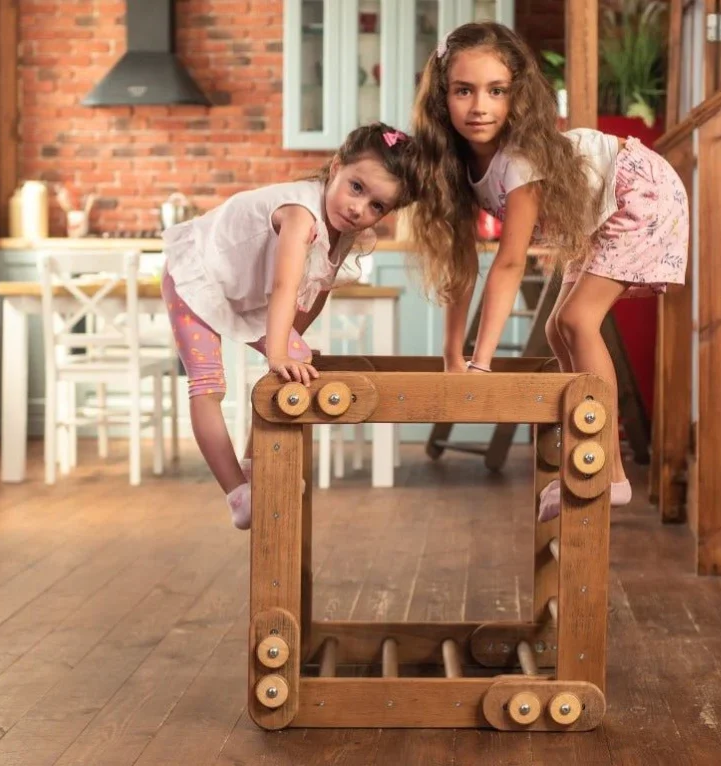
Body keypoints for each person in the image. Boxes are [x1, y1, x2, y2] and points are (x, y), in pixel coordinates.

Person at [408, 22, 687, 520]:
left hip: (638, 190)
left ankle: (611, 474)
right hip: (601, 207)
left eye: (497, 91)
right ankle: (590, 465)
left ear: (517, 96)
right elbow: (463, 264)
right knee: (560, 326)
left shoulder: (519, 159)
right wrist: (453, 356)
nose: (480, 107)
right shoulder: (456, 165)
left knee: (578, 321)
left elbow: (511, 260)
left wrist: (481, 365)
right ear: (441, 98)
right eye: (463, 91)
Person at [162, 123, 416, 529]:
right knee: (209, 384)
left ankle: (254, 465)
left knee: (297, 365)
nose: (358, 208)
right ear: (336, 167)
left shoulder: (344, 232)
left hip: (241, 292)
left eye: (376, 206)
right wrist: (275, 350)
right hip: (195, 275)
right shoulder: (302, 215)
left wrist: (289, 343)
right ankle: (236, 493)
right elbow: (283, 286)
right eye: (356, 187)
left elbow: (313, 292)